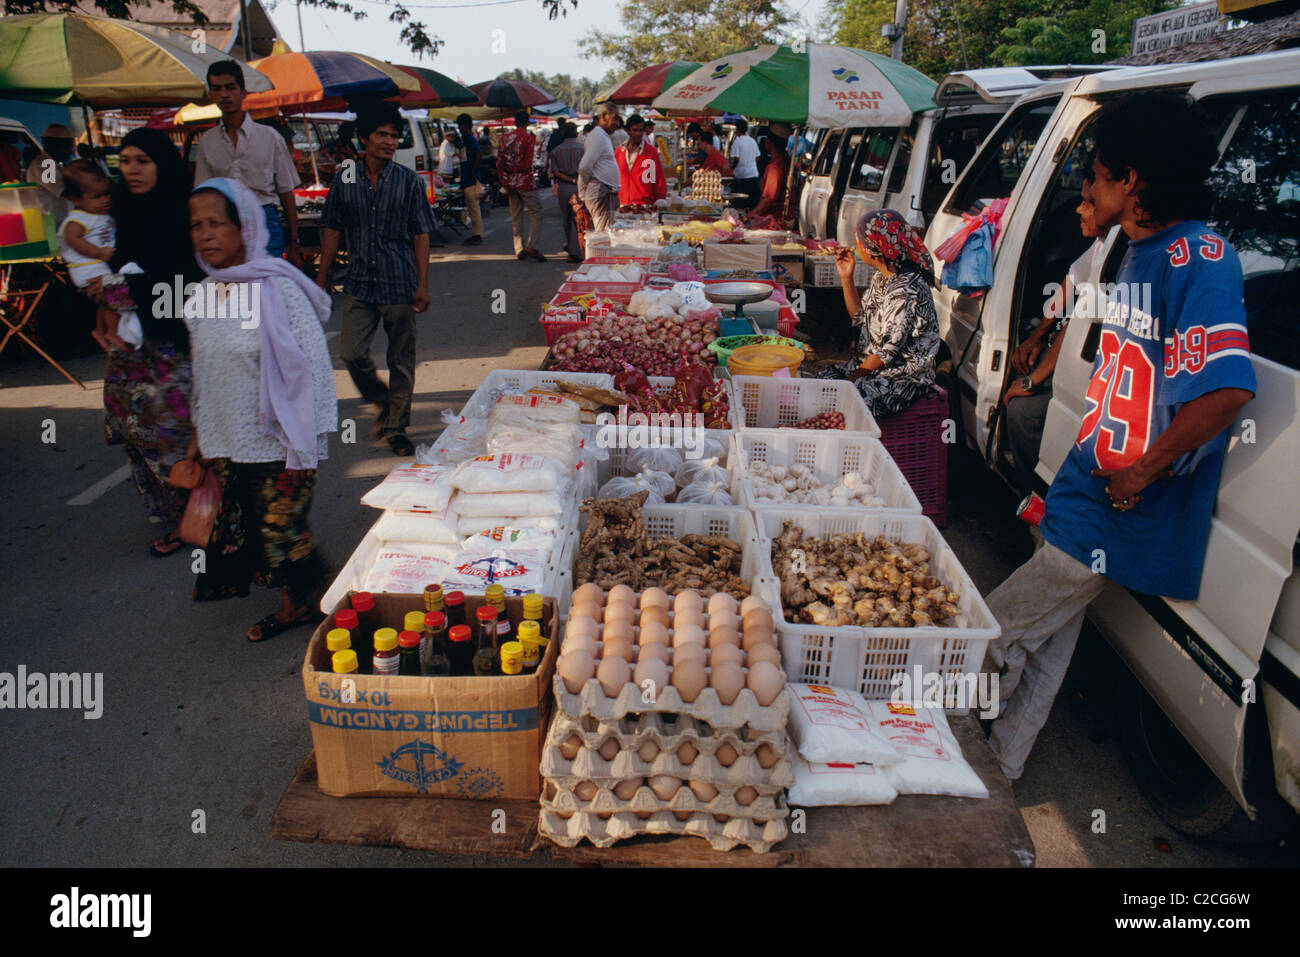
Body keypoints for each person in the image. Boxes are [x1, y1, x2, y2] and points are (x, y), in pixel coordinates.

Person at [983, 93, 1257, 781]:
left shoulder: (1201, 256)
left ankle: (941, 732)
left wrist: (1142, 471)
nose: (1084, 188)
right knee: (1049, 642)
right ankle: (1001, 765)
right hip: (1086, 480)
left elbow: (1227, 389)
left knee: (993, 626)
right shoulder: (1135, 248)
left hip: (1119, 501)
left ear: (1131, 180)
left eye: (1094, 175)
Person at [184, 177, 338, 640]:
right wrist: (198, 440)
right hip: (226, 440)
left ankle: (311, 601)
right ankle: (311, 596)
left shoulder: (279, 291)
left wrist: (302, 450)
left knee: (282, 532)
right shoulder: (201, 296)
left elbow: (314, 372)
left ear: (245, 226)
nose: (205, 234)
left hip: (279, 441)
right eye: (196, 225)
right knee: (257, 530)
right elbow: (204, 375)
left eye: (217, 223)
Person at [93, 129, 201, 557]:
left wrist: (120, 290)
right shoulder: (125, 212)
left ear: (163, 165)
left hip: (173, 344)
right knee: (134, 434)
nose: (133, 169)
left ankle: (194, 519)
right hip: (131, 348)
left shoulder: (183, 214)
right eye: (126, 160)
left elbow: (182, 285)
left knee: (170, 437)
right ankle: (173, 517)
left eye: (143, 161)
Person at [317, 102, 432, 457]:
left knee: (401, 360)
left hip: (399, 281)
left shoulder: (408, 181)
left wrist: (423, 284)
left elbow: (421, 234)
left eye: (394, 136)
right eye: (382, 134)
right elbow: (333, 228)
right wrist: (320, 279)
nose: (389, 141)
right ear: (364, 138)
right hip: (359, 283)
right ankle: (382, 400)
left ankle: (397, 427)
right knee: (350, 353)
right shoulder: (346, 177)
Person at [1003, 175, 1108, 491]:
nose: (1079, 209)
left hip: (1088, 369)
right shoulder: (1103, 244)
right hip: (1075, 356)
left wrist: (1030, 382)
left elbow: (1080, 321)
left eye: (1089, 202)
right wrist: (1035, 337)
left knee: (1021, 411)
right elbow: (1071, 283)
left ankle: (1034, 497)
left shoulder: (1125, 244)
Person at [813, 210, 940, 417]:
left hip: (901, 378)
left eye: (859, 240)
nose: (856, 246)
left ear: (873, 248)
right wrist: (847, 279)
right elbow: (861, 320)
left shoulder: (907, 290)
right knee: (817, 385)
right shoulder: (883, 278)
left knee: (840, 406)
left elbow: (885, 353)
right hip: (875, 369)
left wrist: (851, 381)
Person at [195, 60, 303, 264]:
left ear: (243, 92)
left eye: (230, 87)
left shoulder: (270, 137)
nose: (224, 95)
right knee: (235, 286)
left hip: (265, 219)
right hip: (224, 222)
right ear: (210, 95)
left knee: (267, 284)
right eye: (217, 89)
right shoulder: (207, 142)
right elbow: (204, 194)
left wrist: (295, 241)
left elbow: (286, 192)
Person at [56, 160, 141, 353]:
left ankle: (100, 329)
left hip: (98, 264)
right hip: (88, 265)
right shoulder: (78, 218)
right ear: (75, 199)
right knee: (114, 295)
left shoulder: (99, 214)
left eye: (106, 194)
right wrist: (98, 253)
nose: (105, 200)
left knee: (104, 301)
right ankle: (113, 331)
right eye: (96, 196)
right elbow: (73, 238)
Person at [497, 110, 546, 262]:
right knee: (536, 213)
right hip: (525, 181)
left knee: (516, 216)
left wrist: (505, 180)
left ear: (514, 121)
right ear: (527, 122)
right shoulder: (529, 138)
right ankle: (532, 245)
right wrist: (516, 170)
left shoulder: (504, 138)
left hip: (510, 182)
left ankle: (518, 249)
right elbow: (527, 163)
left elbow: (499, 163)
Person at [580, 102, 622, 234]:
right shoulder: (598, 136)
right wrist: (587, 186)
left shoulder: (602, 136)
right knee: (602, 236)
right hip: (601, 190)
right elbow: (584, 166)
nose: (618, 123)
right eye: (615, 118)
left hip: (603, 190)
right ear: (604, 116)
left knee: (605, 233)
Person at [26, 123, 76, 224]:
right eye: (68, 146)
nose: (71, 151)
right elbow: (64, 191)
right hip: (50, 222)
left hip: (58, 219)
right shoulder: (45, 164)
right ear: (54, 145)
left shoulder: (53, 163)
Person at [549, 121, 585, 262]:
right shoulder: (583, 149)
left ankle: (572, 249)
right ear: (576, 133)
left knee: (566, 219)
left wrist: (569, 181)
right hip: (580, 186)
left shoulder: (556, 151)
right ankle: (580, 248)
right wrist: (577, 181)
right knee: (581, 218)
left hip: (565, 186)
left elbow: (555, 172)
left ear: (563, 133)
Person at [615, 113, 666, 210]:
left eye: (641, 130)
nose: (638, 134)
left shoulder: (651, 152)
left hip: (644, 207)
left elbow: (659, 181)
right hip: (623, 206)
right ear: (628, 131)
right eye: (635, 130)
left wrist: (659, 203)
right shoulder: (619, 151)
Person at [455, 113, 485, 245]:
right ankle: (476, 234)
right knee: (472, 208)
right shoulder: (465, 139)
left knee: (474, 208)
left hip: (471, 179)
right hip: (467, 179)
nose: (460, 129)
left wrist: (473, 170)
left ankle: (477, 235)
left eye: (461, 126)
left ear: (466, 126)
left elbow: (479, 154)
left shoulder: (471, 139)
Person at [750, 134, 790, 220]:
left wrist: (749, 216)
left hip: (775, 218)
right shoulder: (786, 160)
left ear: (768, 141)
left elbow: (768, 200)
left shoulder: (775, 167)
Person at [728, 118, 761, 210]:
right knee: (751, 204)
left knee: (739, 205)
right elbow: (757, 156)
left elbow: (736, 159)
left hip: (741, 177)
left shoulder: (737, 142)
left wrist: (732, 168)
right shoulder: (752, 141)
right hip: (753, 176)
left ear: (737, 129)